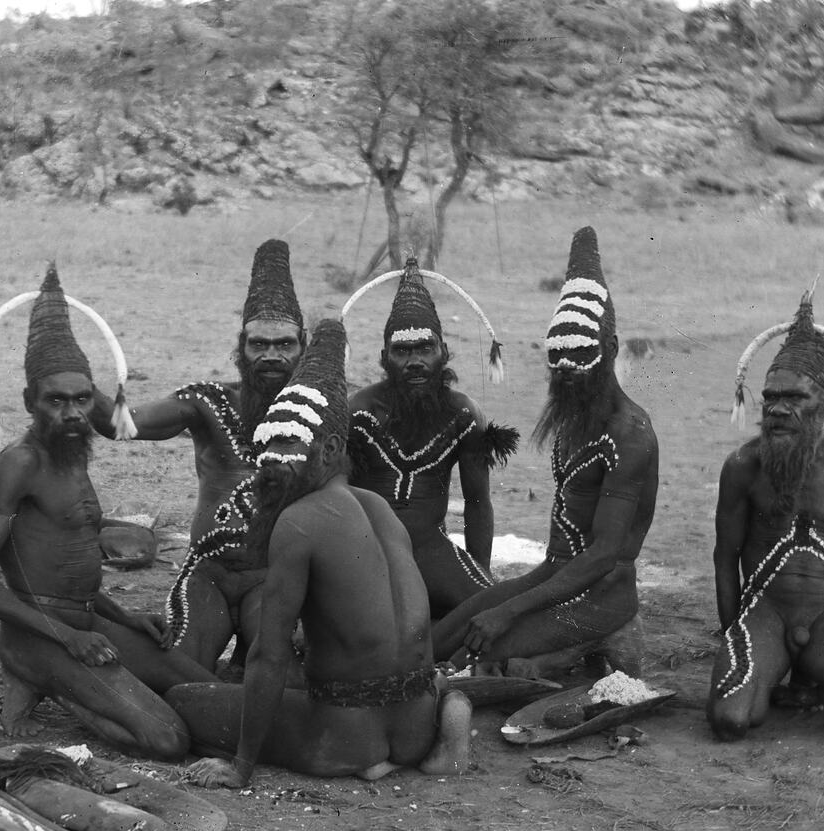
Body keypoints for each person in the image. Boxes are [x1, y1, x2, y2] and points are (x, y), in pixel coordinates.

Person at [165, 318, 473, 789]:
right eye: (266, 447)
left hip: (344, 739)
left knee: (186, 699)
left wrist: (241, 766)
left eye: (289, 445)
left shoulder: (299, 520)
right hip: (414, 728)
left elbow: (268, 655)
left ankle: (367, 752)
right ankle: (442, 721)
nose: (272, 462)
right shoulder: (382, 510)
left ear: (329, 448)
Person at [0, 265, 215, 760]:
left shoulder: (73, 454)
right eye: (56, 401)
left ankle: (89, 683)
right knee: (170, 739)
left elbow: (65, 559)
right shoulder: (20, 463)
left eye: (81, 399)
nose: (72, 413)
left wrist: (124, 615)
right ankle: (56, 687)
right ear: (30, 401)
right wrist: (68, 639)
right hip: (40, 636)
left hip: (88, 622)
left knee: (203, 687)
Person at [433, 227, 658, 671]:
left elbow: (603, 554)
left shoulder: (629, 434)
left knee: (466, 657)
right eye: (557, 355)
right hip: (553, 576)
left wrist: (509, 611)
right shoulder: (576, 417)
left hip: (602, 595)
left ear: (609, 348)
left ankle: (566, 658)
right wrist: (503, 603)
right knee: (437, 641)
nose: (566, 369)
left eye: (580, 354)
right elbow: (561, 558)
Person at [90, 239, 305, 672]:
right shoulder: (205, 402)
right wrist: (77, 378)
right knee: (182, 670)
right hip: (211, 572)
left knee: (273, 671)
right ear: (240, 347)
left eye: (284, 344)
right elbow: (120, 426)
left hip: (279, 578)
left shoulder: (322, 413)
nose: (271, 356)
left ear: (304, 346)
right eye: (258, 344)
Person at [706, 291, 824, 745]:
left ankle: (822, 676)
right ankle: (767, 674)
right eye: (770, 398)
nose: (777, 409)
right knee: (731, 719)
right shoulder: (743, 467)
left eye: (794, 397)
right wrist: (735, 635)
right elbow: (725, 557)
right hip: (764, 615)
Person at [345, 257, 519, 617]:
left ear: (443, 353)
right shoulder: (358, 412)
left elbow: (477, 503)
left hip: (430, 548)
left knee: (496, 614)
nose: (415, 362)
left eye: (425, 349)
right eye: (402, 351)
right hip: (365, 548)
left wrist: (480, 574)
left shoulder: (463, 416)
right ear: (384, 358)